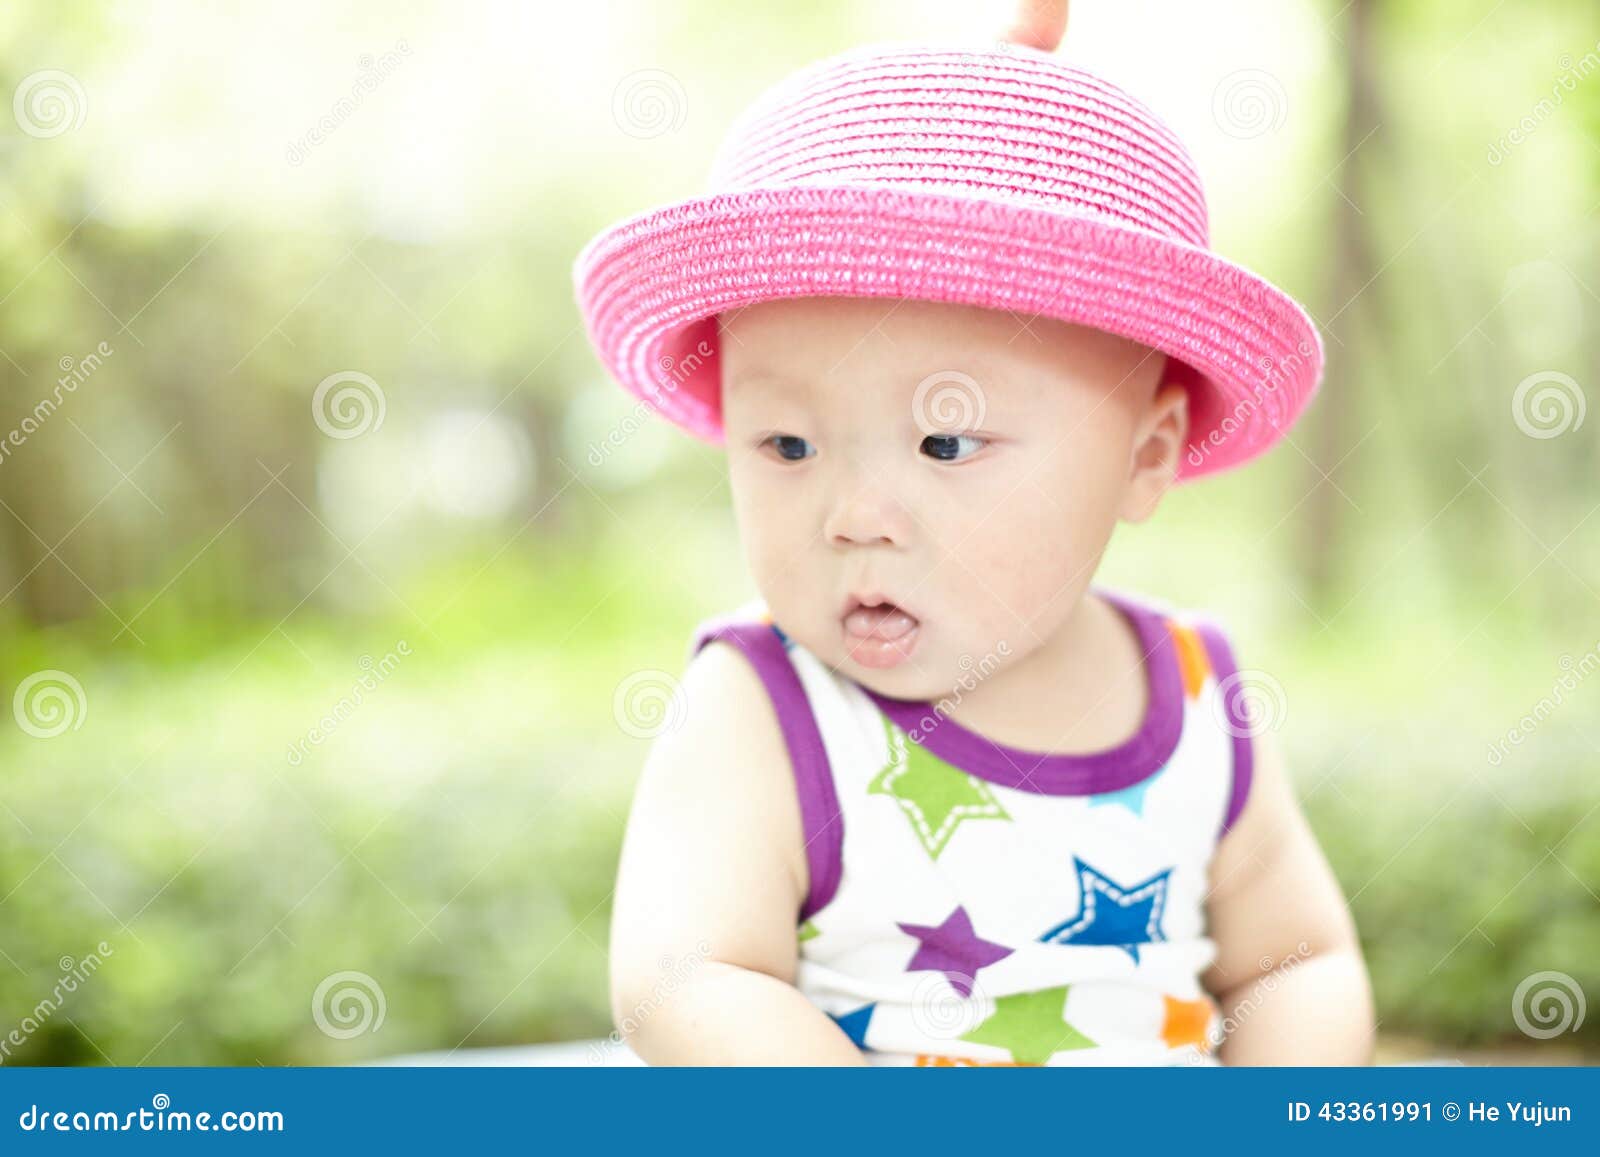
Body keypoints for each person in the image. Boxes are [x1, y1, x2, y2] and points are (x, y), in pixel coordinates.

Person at [573, 4, 1374, 1065]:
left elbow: (1295, 962)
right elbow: (688, 976)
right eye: (787, 444)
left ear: (1144, 455)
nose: (853, 515)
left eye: (945, 444)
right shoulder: (764, 701)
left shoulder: (1193, 691)